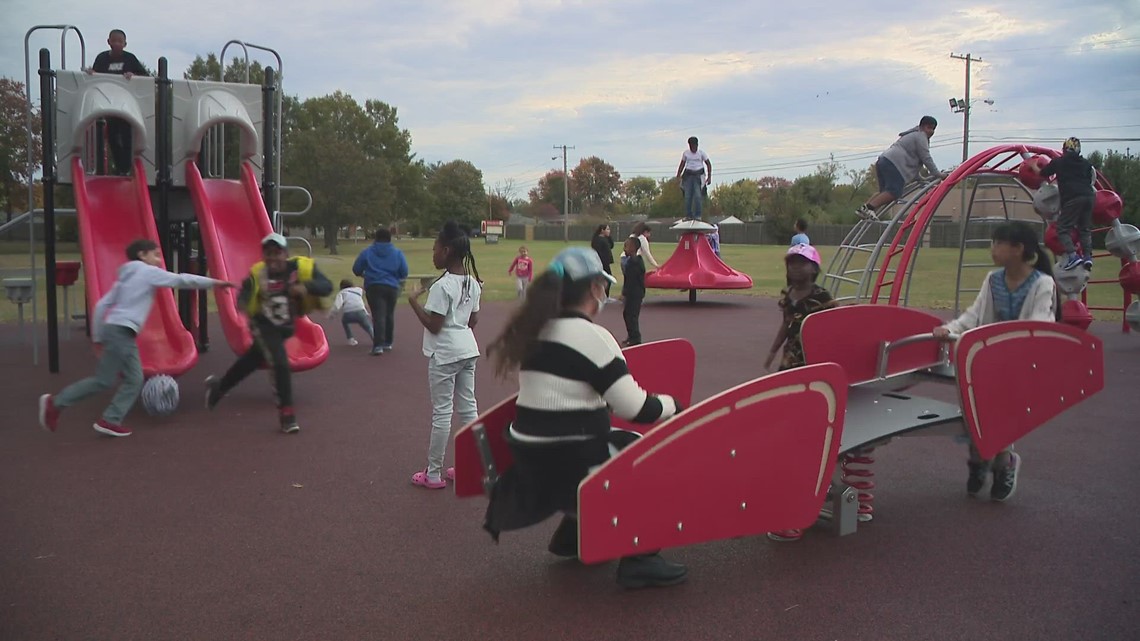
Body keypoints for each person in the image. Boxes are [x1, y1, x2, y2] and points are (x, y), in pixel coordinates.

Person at [483, 246, 686, 589]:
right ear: (594, 288)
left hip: (531, 459)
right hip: (569, 461)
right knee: (648, 453)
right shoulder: (593, 337)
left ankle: (574, 537)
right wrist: (674, 405)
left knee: (607, 444)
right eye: (604, 286)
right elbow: (635, 409)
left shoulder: (535, 333)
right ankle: (641, 557)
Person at [38, 239, 233, 437]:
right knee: (114, 380)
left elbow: (102, 305)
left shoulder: (125, 277)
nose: (158, 260)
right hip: (122, 330)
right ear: (142, 255)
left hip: (115, 330)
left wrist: (98, 335)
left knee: (126, 379)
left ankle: (106, 418)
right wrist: (215, 283)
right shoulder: (147, 272)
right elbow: (181, 280)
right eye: (155, 255)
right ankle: (61, 405)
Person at [933, 221, 1060, 502]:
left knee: (999, 415)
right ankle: (981, 459)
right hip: (988, 361)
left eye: (999, 243)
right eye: (993, 242)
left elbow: (1041, 322)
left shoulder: (1042, 283)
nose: (993, 249)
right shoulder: (993, 280)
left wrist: (1014, 345)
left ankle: (1001, 463)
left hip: (1019, 362)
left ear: (1018, 249)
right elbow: (975, 316)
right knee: (976, 413)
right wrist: (951, 329)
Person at [204, 233, 333, 434]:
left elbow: (327, 286)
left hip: (284, 328)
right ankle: (287, 414)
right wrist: (244, 303)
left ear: (286, 254)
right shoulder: (258, 274)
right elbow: (244, 295)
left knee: (251, 361)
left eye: (278, 253)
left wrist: (305, 287)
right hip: (263, 326)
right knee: (280, 362)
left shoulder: (299, 269)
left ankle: (219, 388)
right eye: (268, 253)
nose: (273, 258)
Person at [762, 243, 838, 541]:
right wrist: (772, 351)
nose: (795, 268)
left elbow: (834, 328)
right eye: (792, 263)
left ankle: (813, 477)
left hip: (814, 364)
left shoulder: (822, 299)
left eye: (802, 263)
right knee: (787, 414)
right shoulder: (789, 297)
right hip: (791, 364)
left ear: (814, 269)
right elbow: (785, 326)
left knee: (811, 422)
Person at [407, 221, 482, 489]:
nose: (433, 253)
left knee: (442, 413)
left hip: (445, 354)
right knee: (469, 409)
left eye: (435, 248)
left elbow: (435, 326)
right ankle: (469, 467)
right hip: (467, 349)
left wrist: (413, 301)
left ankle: (434, 473)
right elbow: (473, 320)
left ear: (447, 250)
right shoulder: (473, 283)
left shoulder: (441, 287)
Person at [856, 116, 945, 220]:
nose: (931, 131)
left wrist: (919, 178)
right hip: (894, 163)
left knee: (884, 192)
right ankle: (869, 208)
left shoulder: (913, 135)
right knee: (894, 192)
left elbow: (916, 163)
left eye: (933, 129)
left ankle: (864, 209)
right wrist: (937, 174)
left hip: (884, 160)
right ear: (921, 127)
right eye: (929, 128)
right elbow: (926, 158)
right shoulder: (921, 136)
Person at [86, 29, 148, 176]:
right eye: (114, 41)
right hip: (109, 103)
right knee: (113, 136)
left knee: (126, 135)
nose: (117, 44)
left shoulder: (130, 59)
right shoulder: (102, 58)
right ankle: (122, 167)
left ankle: (126, 167)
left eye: (120, 41)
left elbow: (145, 77)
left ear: (125, 44)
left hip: (126, 105)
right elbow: (95, 75)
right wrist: (91, 73)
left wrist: (133, 75)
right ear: (108, 42)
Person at [1030, 137, 1097, 271]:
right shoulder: (1085, 163)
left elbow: (1042, 173)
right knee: (1084, 229)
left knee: (1062, 228)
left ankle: (1072, 256)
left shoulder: (1059, 162)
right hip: (1089, 196)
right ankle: (1088, 257)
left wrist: (1033, 166)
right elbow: (1090, 179)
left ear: (1065, 148)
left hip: (1073, 197)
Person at [352, 228, 408, 355]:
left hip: (374, 286)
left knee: (378, 315)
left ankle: (378, 345)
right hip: (392, 286)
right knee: (389, 314)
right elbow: (404, 271)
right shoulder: (397, 253)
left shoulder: (367, 252)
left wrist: (365, 274)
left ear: (375, 238)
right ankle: (388, 342)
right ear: (390, 239)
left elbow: (356, 269)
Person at [676, 136, 712, 219]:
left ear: (697, 145)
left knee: (697, 196)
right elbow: (682, 164)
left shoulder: (701, 153)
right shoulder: (686, 153)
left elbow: (708, 164)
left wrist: (709, 177)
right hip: (688, 176)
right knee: (688, 196)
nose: (693, 148)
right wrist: (678, 176)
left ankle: (698, 215)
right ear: (689, 145)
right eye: (691, 146)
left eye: (694, 146)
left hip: (698, 176)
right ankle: (688, 215)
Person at [329, 278, 372, 346]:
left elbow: (337, 306)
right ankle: (376, 339)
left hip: (349, 314)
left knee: (344, 321)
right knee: (368, 326)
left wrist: (332, 315)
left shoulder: (341, 293)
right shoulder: (358, 290)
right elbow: (365, 288)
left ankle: (351, 339)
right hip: (361, 311)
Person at [620, 236, 646, 346]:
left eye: (626, 247)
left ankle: (635, 337)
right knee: (628, 314)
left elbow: (630, 281)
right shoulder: (634, 261)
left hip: (634, 293)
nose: (624, 249)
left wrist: (624, 293)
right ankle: (631, 335)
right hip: (635, 292)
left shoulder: (634, 263)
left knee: (631, 315)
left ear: (632, 248)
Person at [590, 224, 616, 297]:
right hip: (601, 263)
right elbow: (597, 252)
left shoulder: (605, 239)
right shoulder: (597, 240)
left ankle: (605, 295)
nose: (609, 231)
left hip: (606, 263)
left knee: (607, 279)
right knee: (607, 279)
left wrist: (609, 236)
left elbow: (611, 245)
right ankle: (603, 296)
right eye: (607, 229)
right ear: (602, 230)